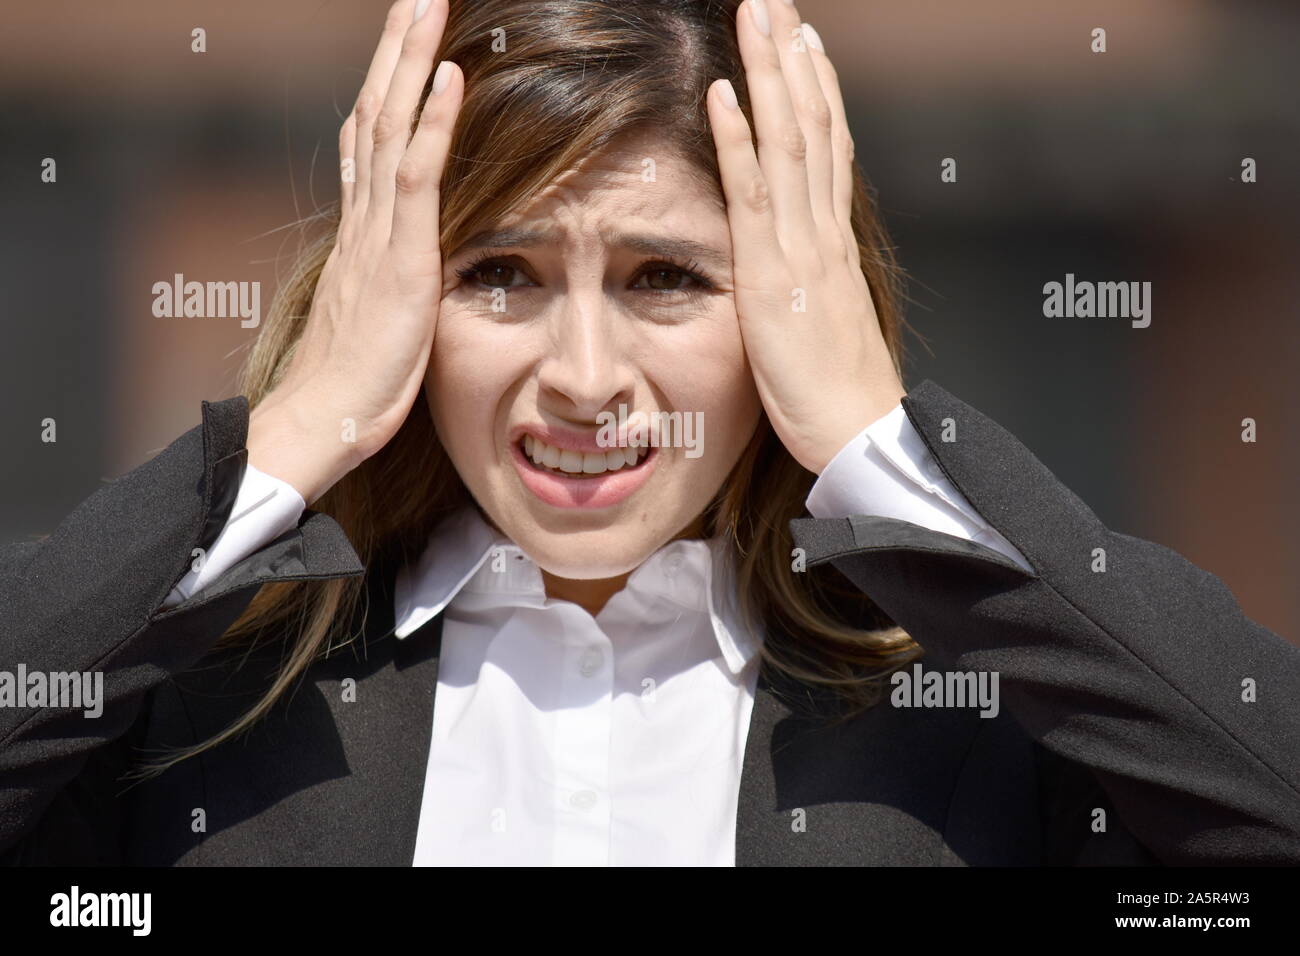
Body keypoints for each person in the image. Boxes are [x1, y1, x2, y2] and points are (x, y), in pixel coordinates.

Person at [2, 0, 1298, 866]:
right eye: (500, 273)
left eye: (665, 277)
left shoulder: (987, 730)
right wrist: (296, 431)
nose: (581, 374)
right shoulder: (199, 714)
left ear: (797, 305)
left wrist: (873, 441)